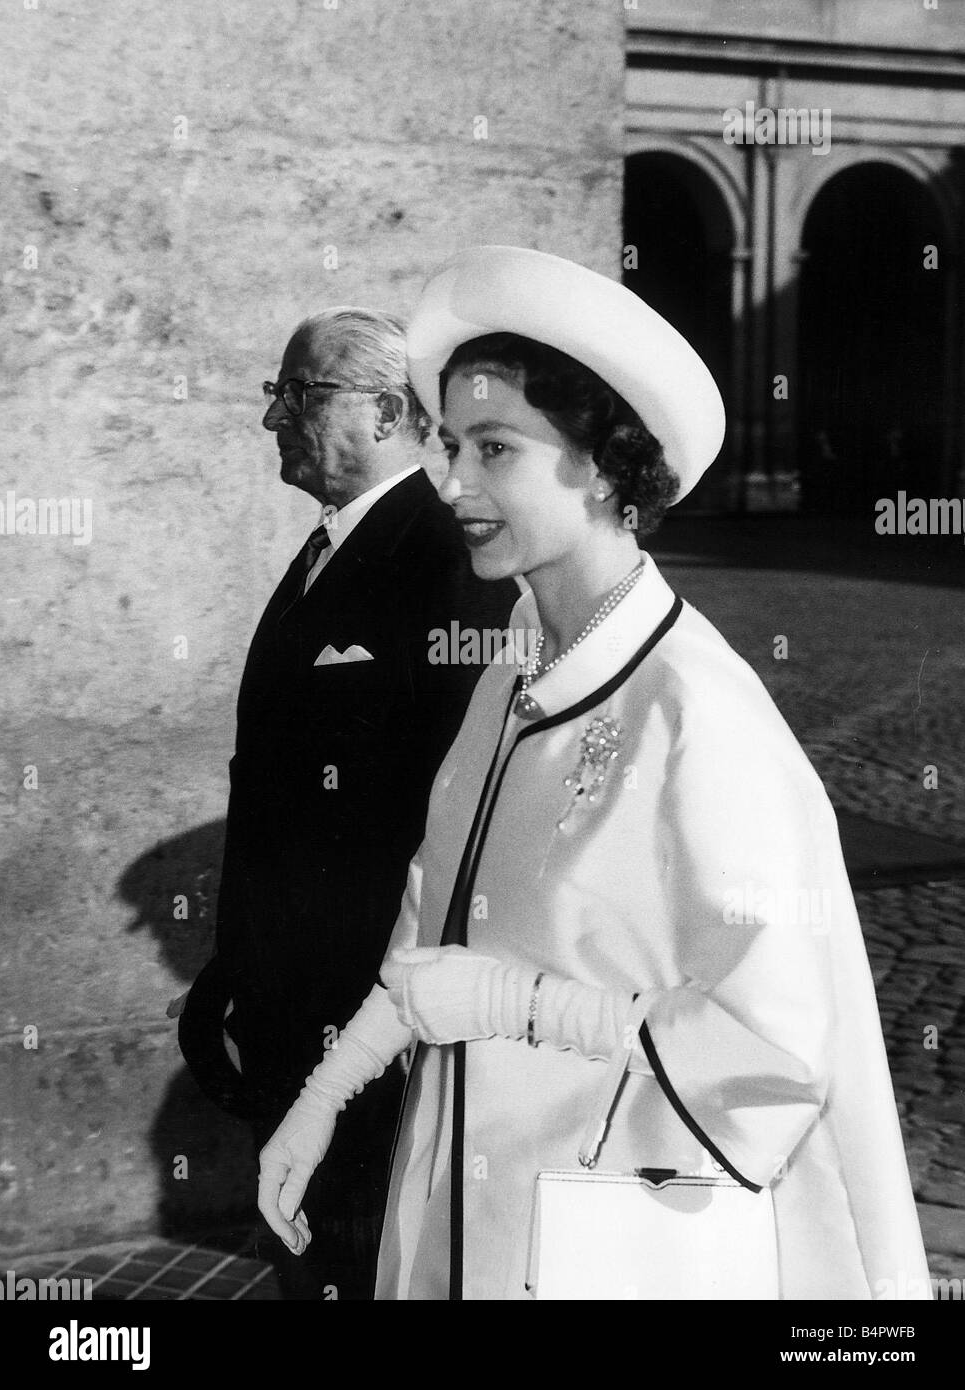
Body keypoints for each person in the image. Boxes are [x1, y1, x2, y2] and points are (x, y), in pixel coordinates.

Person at [257, 249, 931, 1301]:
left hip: (627, 1236)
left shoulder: (698, 713)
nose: (450, 483)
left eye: (495, 450)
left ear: (606, 467)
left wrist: (524, 1003)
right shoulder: (515, 666)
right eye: (447, 446)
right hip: (467, 1208)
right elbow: (430, 927)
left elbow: (777, 1047)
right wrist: (326, 1092)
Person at [192, 306, 518, 1299]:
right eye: (275, 395)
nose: (273, 420)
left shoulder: (443, 554)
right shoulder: (328, 549)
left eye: (297, 395)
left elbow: (452, 818)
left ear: (384, 411)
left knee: (362, 1261)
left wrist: (365, 1023)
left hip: (370, 1023)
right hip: (292, 1011)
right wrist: (235, 975)